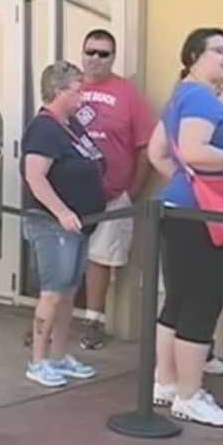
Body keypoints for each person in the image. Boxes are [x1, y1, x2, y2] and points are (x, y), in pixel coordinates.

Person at [145, 27, 223, 428]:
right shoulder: (199, 97)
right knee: (201, 302)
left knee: (177, 300)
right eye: (218, 50)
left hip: (180, 211)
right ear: (194, 56)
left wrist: (187, 180)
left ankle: (167, 383)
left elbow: (160, 152)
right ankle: (190, 395)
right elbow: (193, 151)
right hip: (198, 218)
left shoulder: (182, 95)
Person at [68, 30, 158, 350]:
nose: (95, 59)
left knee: (100, 260)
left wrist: (132, 192)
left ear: (113, 57)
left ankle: (93, 320)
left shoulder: (128, 94)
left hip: (112, 193)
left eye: (103, 54)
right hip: (69, 194)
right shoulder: (69, 87)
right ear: (82, 53)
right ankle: (53, 320)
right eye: (90, 51)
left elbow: (147, 146)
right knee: (63, 255)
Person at [21, 62, 105, 388]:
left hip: (79, 224)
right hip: (53, 224)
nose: (82, 96)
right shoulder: (43, 128)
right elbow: (35, 176)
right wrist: (61, 211)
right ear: (58, 92)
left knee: (68, 292)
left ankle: (58, 356)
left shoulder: (70, 125)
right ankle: (38, 360)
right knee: (53, 292)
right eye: (76, 90)